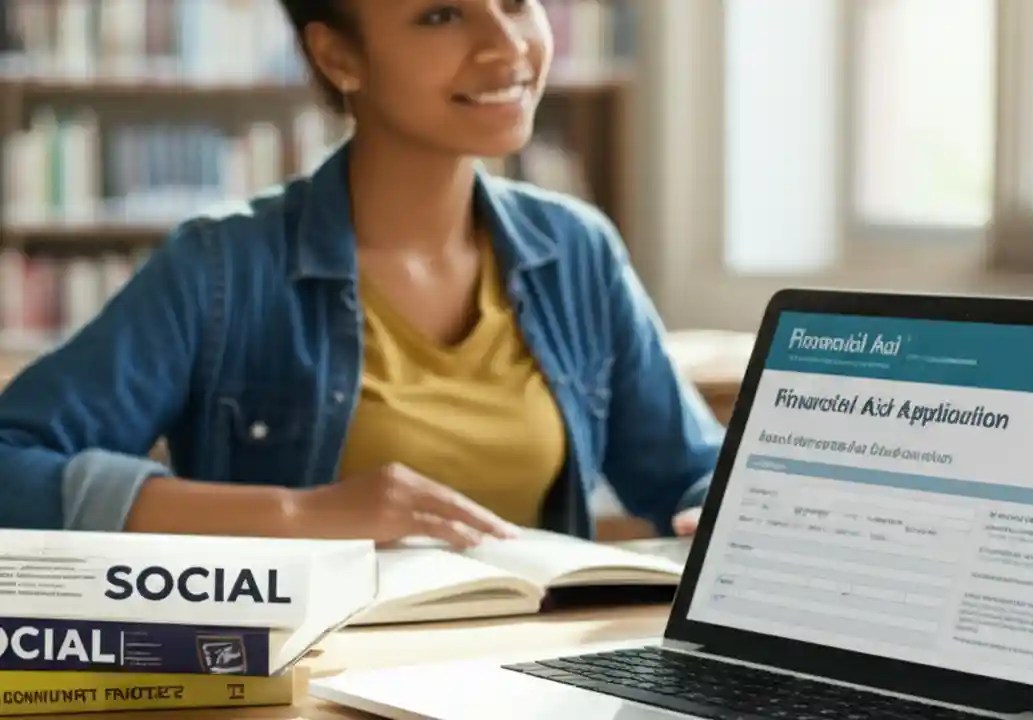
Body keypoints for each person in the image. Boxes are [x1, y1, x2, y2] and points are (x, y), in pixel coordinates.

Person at [0, 0, 722, 547]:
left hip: (538, 672)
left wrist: (737, 523)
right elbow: (11, 467)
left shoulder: (576, 250)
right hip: (318, 685)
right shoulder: (222, 268)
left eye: (515, 1)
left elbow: (691, 470)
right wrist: (300, 515)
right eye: (440, 14)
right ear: (339, 57)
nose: (506, 45)